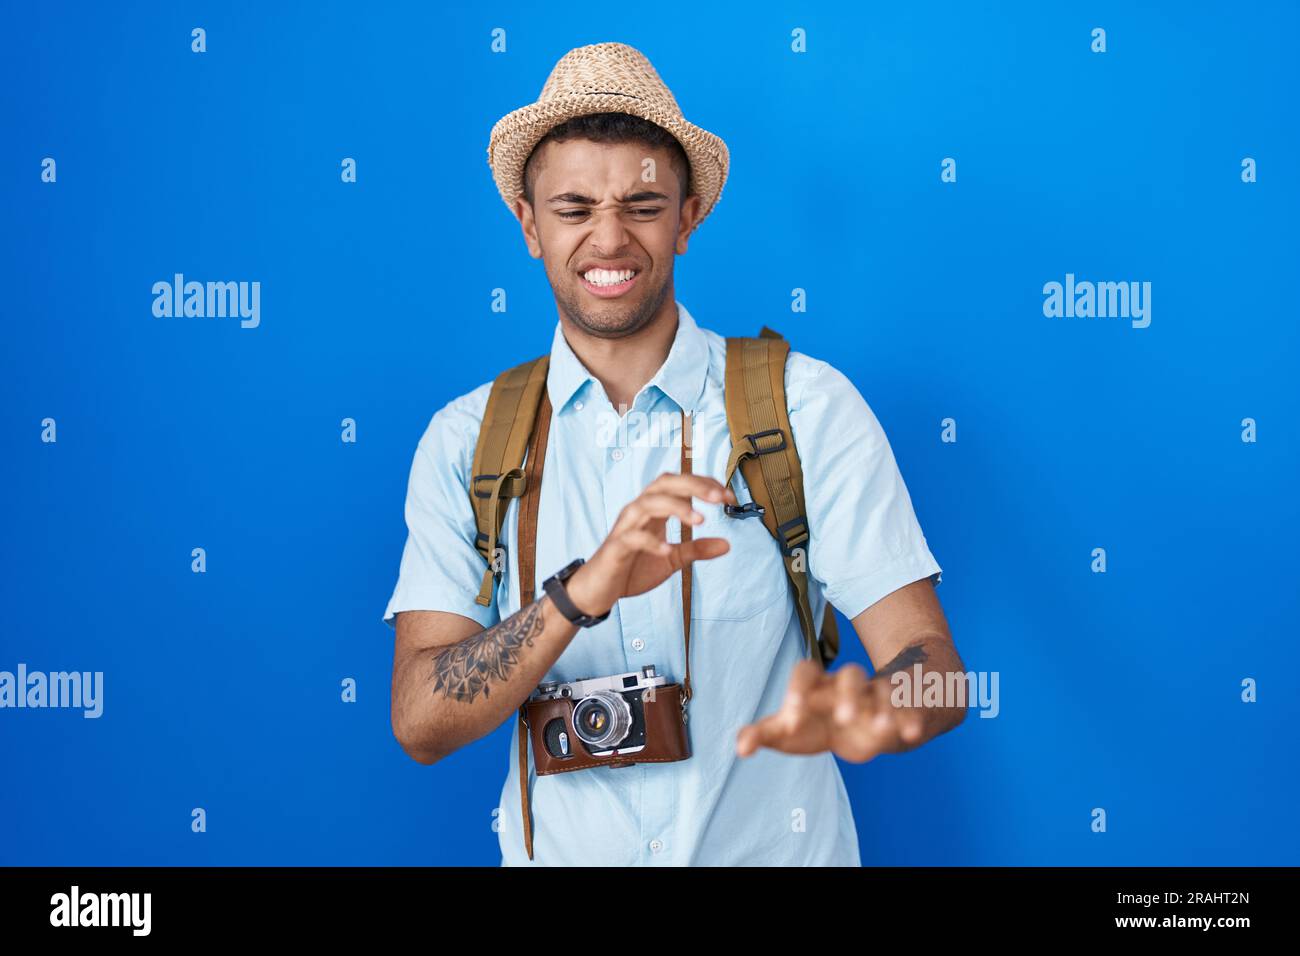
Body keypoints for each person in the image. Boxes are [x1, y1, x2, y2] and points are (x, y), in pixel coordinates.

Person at [384, 41, 966, 866]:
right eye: (575, 208)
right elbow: (419, 720)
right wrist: (579, 596)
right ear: (529, 227)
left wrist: (878, 705)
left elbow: (938, 672)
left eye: (643, 205)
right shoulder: (464, 440)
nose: (609, 239)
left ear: (688, 217)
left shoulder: (806, 408)